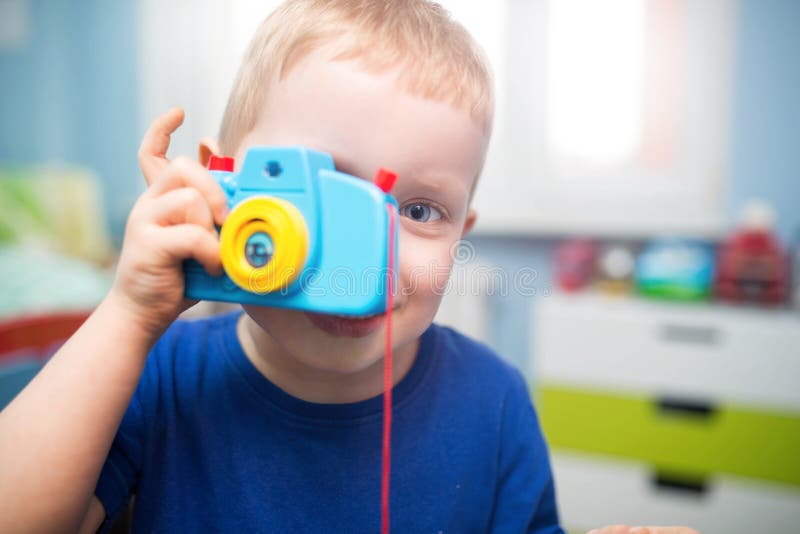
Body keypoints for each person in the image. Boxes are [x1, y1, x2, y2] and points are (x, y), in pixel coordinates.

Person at [0, 2, 699, 533]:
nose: (371, 253)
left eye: (420, 212)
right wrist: (125, 316)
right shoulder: (159, 376)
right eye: (328, 190)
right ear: (223, 191)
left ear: (463, 236)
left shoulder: (496, 405)